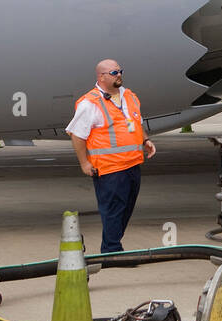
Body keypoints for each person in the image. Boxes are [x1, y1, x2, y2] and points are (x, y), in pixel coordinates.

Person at [65, 59, 156, 253]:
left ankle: (111, 246)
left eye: (120, 71)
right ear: (101, 76)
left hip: (132, 164)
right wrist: (84, 163)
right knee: (113, 210)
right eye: (114, 72)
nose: (119, 75)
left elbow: (135, 123)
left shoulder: (129, 96)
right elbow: (77, 135)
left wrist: (145, 141)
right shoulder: (90, 103)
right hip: (109, 168)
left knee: (126, 209)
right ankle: (112, 250)